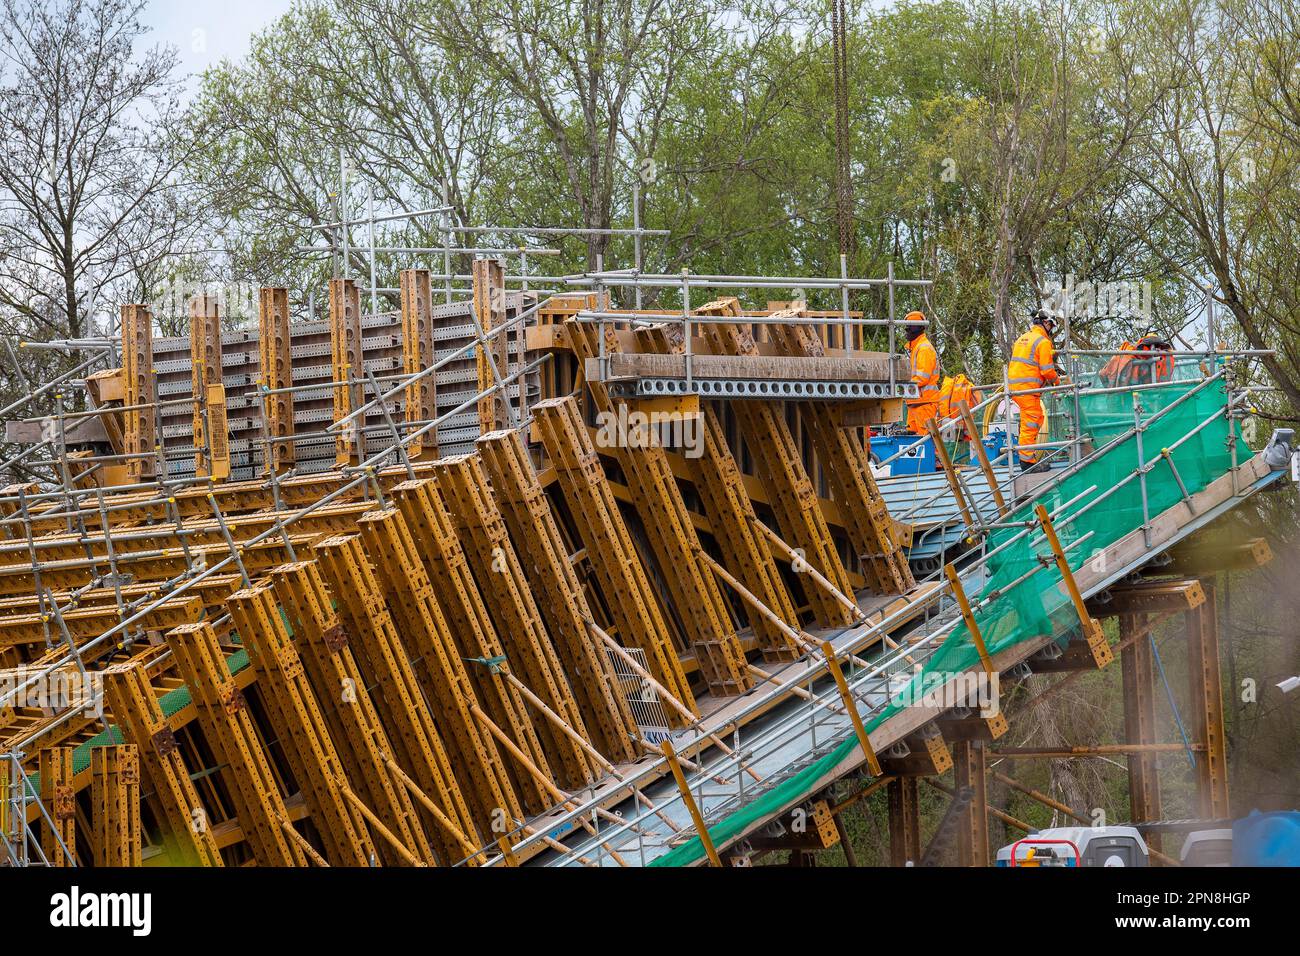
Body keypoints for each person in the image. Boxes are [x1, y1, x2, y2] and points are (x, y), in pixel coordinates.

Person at [1008, 308, 1063, 472]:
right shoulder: (1043, 342)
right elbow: (1046, 370)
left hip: (1016, 387)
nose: (1051, 330)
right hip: (1027, 388)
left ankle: (1027, 459)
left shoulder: (1022, 338)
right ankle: (1027, 464)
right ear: (1046, 323)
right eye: (1051, 326)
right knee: (1031, 423)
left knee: (1034, 419)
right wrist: (1057, 382)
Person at [904, 311, 941, 434]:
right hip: (915, 403)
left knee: (928, 442)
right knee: (913, 443)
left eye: (910, 327)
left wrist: (903, 385)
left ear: (919, 328)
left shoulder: (924, 348)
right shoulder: (916, 348)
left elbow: (922, 378)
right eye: (907, 327)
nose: (907, 331)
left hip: (925, 403)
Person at [1098, 332, 1174, 387]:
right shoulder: (1131, 353)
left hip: (1154, 389)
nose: (1154, 348)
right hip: (1136, 389)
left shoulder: (1166, 356)